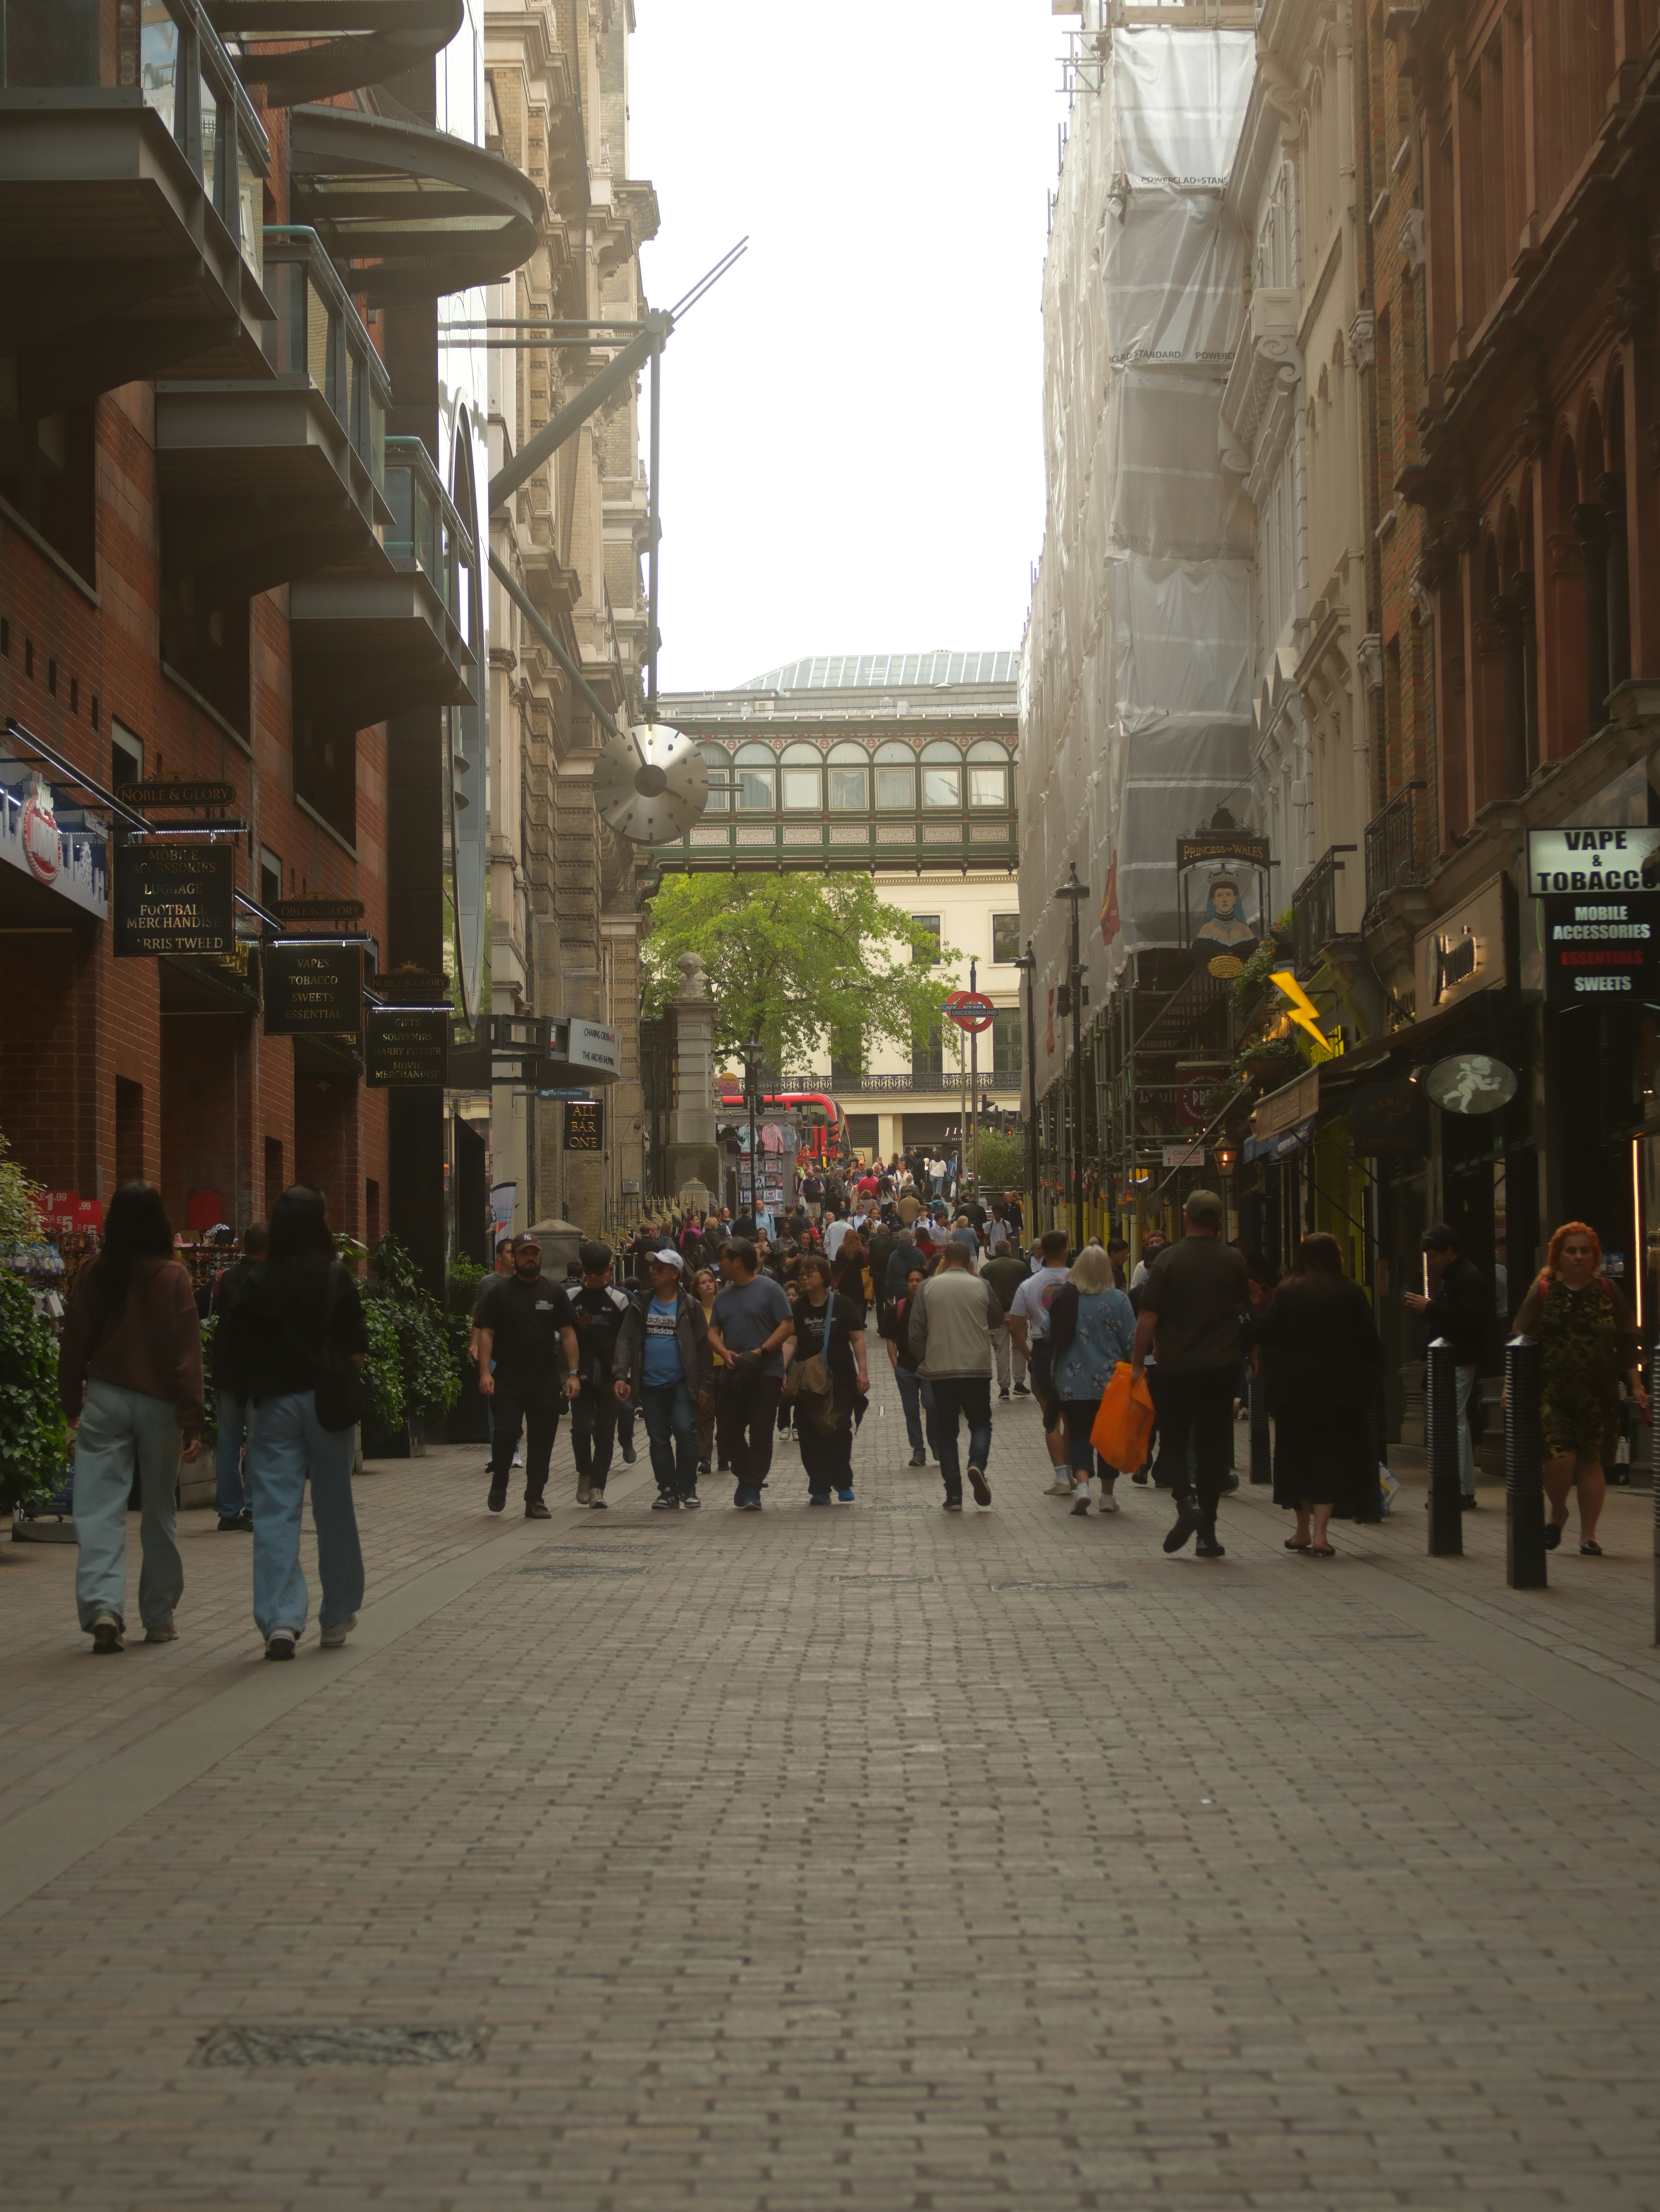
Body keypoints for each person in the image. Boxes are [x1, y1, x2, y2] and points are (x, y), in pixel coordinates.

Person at [215, 1184, 368, 1660]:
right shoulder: (334, 1276)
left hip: (274, 1406)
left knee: (276, 1513)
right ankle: (337, 1614)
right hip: (326, 1403)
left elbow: (233, 1349)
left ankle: (280, 1619)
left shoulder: (254, 1283)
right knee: (334, 1507)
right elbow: (357, 1346)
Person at [57, 1182, 203, 1654]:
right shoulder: (173, 1277)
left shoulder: (95, 1272)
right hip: (160, 1402)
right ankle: (159, 1617)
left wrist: (70, 1404)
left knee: (100, 1507)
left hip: (106, 1396)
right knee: (159, 1509)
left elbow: (74, 1341)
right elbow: (187, 1354)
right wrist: (192, 1417)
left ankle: (103, 1605)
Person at [1512, 1222, 1647, 1555]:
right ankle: (1558, 1510)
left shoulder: (1607, 1291)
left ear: (1594, 1256)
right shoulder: (1544, 1290)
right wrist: (1509, 1385)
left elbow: (1628, 1343)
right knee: (1559, 1459)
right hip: (1553, 1393)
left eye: (1584, 1251)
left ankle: (1589, 1535)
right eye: (1571, 1251)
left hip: (1598, 1395)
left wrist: (1637, 1386)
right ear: (1559, 1255)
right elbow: (1520, 1339)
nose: (1578, 1257)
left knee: (1591, 1463)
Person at [1132, 1190, 1248, 1559]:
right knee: (1213, 1448)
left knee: (1174, 1442)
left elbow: (1148, 1317)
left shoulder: (1168, 1260)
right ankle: (1207, 1535)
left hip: (1176, 1367)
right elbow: (1243, 1311)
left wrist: (1138, 1362)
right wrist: (1253, 1355)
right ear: (1217, 1221)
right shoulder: (1234, 1260)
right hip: (1222, 1368)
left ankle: (1186, 1502)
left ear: (1186, 1218)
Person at [1250, 1233, 1382, 1556]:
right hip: (1339, 1393)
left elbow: (1266, 1334)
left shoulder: (1287, 1292)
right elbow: (1371, 1342)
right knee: (1329, 1457)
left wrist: (1256, 1309)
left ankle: (1301, 1531)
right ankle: (1322, 1533)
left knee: (1297, 1457)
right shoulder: (1350, 1292)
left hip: (1293, 1393)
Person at [473, 1230, 580, 1518]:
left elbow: (569, 1334)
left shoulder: (553, 1292)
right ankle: (500, 1482)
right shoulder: (500, 1293)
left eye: (534, 1253)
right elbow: (487, 1334)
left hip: (544, 1380)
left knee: (543, 1441)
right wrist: (485, 1372)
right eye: (524, 1253)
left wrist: (573, 1374)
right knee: (506, 1432)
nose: (530, 1258)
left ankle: (535, 1498)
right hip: (508, 1378)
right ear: (515, 1257)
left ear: (540, 1256)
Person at [613, 1248, 713, 1509]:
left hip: (682, 1381)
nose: (653, 1272)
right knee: (658, 1437)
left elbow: (703, 1347)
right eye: (653, 1267)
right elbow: (625, 1341)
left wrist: (705, 1384)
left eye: (660, 1268)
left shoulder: (689, 1306)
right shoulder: (641, 1304)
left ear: (675, 1274)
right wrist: (621, 1375)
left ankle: (688, 1486)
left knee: (684, 1429)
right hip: (650, 1383)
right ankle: (667, 1489)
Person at [908, 1240, 1002, 1510]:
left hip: (941, 1371)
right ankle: (977, 1463)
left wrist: (924, 1358)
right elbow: (996, 1319)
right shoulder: (981, 1285)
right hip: (977, 1368)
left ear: (945, 1261)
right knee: (981, 1423)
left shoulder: (927, 1287)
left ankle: (954, 1496)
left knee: (947, 1431)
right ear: (970, 1263)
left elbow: (916, 1331)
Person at [1404, 1224, 1492, 1508]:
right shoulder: (1457, 1277)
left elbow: (1463, 1321)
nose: (1431, 1262)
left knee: (1452, 1421)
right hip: (1454, 1358)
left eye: (1434, 1255)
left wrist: (1430, 1308)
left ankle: (1455, 1488)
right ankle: (1462, 1487)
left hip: (1457, 1358)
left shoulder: (1465, 1279)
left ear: (1449, 1251)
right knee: (1457, 1421)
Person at [1047, 1244, 1137, 1514]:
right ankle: (1107, 1497)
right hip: (1112, 1383)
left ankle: (1083, 1486)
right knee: (1109, 1438)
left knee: (1079, 1435)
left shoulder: (1066, 1297)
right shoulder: (1119, 1300)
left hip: (1073, 1382)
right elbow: (1131, 1341)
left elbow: (1046, 1331)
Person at [708, 1237, 796, 1509]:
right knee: (727, 1433)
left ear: (737, 1261)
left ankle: (752, 1487)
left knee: (761, 1432)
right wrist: (724, 1353)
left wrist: (762, 1352)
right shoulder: (723, 1296)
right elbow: (713, 1332)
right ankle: (747, 1477)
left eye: (723, 1258)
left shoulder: (770, 1290)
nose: (719, 1264)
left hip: (765, 1372)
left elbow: (787, 1326)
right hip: (733, 1373)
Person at [784, 1250, 869, 1503]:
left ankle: (843, 1481)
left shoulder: (843, 1305)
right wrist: (781, 1372)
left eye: (810, 1273)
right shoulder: (798, 1309)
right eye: (802, 1275)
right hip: (809, 1382)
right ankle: (819, 1487)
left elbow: (857, 1339)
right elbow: (791, 1342)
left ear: (825, 1276)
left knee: (840, 1430)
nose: (805, 1278)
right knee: (809, 1433)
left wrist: (863, 1371)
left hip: (841, 1377)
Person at [208, 1220, 267, 1530]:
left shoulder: (227, 1279)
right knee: (258, 1444)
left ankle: (228, 1512)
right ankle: (255, 1511)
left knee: (228, 1442)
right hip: (260, 1375)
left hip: (228, 1369)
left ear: (244, 1246)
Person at [566, 1240, 632, 1508]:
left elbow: (627, 1340)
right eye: (589, 1272)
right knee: (581, 1428)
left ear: (608, 1270)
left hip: (610, 1374)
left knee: (605, 1434)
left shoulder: (620, 1299)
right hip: (580, 1373)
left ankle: (598, 1487)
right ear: (583, 1270)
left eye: (598, 1272)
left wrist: (625, 1376)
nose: (593, 1277)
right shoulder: (570, 1297)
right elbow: (560, 1335)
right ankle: (584, 1472)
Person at [1009, 1229, 1075, 1494]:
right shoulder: (1078, 1280)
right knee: (1072, 1417)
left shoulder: (1029, 1285)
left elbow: (1015, 1327)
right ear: (1068, 1250)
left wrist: (1029, 1356)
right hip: (1074, 1351)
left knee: (1051, 1418)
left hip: (1044, 1351)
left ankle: (1061, 1478)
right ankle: (1073, 1472)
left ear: (1042, 1253)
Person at [881, 1263, 935, 1466]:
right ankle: (918, 1450)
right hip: (905, 1368)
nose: (914, 1284)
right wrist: (895, 1364)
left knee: (932, 1405)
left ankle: (935, 1441)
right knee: (911, 1410)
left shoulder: (933, 1306)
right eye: (911, 1281)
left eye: (918, 1281)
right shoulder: (900, 1308)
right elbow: (890, 1338)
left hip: (930, 1368)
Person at [981, 1236, 1029, 1399]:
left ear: (995, 1252)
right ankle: (1020, 1383)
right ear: (1010, 1251)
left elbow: (984, 1292)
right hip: (1019, 1314)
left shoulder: (987, 1268)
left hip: (998, 1315)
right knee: (1019, 1348)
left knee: (1001, 1351)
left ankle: (1004, 1388)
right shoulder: (1021, 1266)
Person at [691, 1266, 724, 1476]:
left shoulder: (724, 1308)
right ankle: (705, 1457)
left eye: (710, 1281)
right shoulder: (694, 1312)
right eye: (703, 1282)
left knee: (725, 1413)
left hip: (724, 1364)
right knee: (705, 1412)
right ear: (697, 1288)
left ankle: (725, 1455)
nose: (708, 1285)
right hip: (704, 1368)